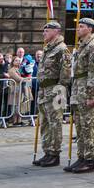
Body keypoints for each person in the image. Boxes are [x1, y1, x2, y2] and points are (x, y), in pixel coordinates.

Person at [65, 17, 94, 173]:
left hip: (87, 91)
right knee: (80, 126)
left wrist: (92, 94)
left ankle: (89, 160)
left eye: (81, 26)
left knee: (89, 126)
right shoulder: (82, 46)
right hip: (78, 89)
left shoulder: (93, 46)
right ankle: (81, 157)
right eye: (78, 26)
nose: (78, 29)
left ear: (90, 29)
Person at [33, 21, 71, 167]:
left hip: (56, 90)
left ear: (56, 31)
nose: (44, 33)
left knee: (55, 123)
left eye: (47, 31)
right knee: (45, 123)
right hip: (44, 91)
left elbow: (65, 73)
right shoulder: (48, 48)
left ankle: (54, 154)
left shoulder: (62, 49)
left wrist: (60, 91)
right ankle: (47, 151)